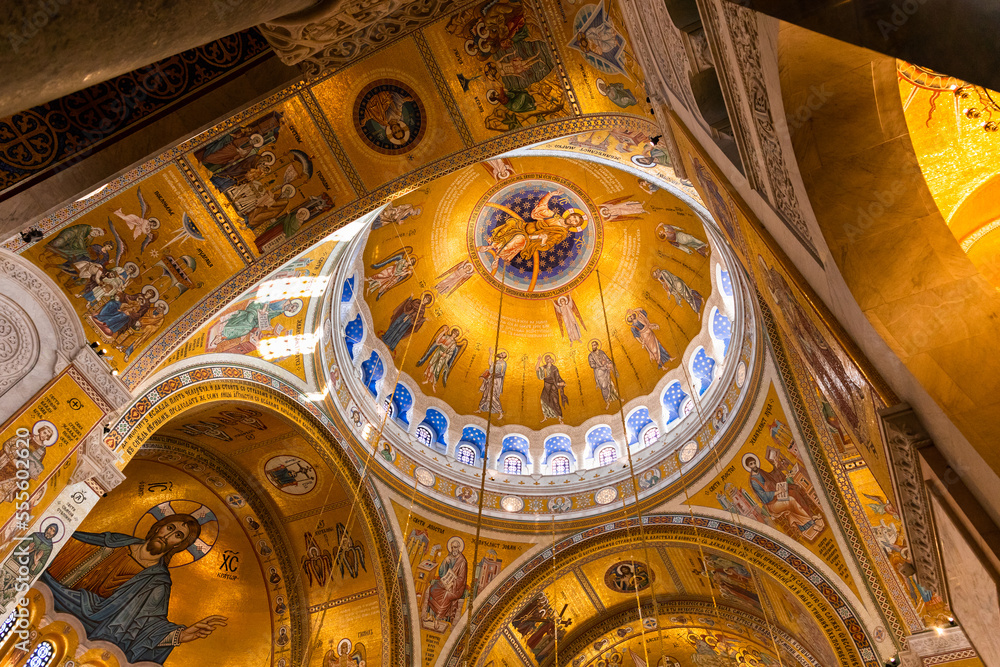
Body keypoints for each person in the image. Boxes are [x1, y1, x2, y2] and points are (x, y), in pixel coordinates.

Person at [41, 513, 227, 663]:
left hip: (98, 631)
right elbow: (68, 543)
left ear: (178, 545)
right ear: (159, 527)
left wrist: (180, 635)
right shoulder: (115, 542)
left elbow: (148, 625)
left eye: (177, 536)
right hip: (51, 600)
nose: (168, 536)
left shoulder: (158, 583)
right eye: (170, 528)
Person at [742, 454, 821, 534]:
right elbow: (764, 497)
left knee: (794, 490)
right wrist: (778, 492)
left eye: (754, 463)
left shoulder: (760, 471)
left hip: (778, 497)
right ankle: (811, 523)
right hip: (772, 505)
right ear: (749, 466)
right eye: (751, 464)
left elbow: (772, 477)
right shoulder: (754, 481)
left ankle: (810, 515)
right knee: (791, 500)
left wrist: (776, 466)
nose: (754, 465)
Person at [0, 422, 55, 504]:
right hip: (4, 464)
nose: (44, 436)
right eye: (44, 432)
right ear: (40, 430)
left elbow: (34, 467)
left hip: (14, 477)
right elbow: (7, 445)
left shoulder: (42, 451)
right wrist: (13, 459)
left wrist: (33, 474)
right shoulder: (26, 436)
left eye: (47, 435)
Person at [425, 537, 467, 628]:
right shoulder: (449, 556)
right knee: (433, 588)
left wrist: (452, 584)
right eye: (452, 547)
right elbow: (441, 572)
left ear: (459, 548)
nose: (453, 549)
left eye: (455, 547)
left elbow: (461, 579)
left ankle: (437, 619)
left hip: (456, 588)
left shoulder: (462, 561)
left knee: (445, 595)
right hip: (446, 582)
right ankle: (431, 616)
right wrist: (444, 561)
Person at [587, 340, 619, 408]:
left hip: (605, 370)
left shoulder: (601, 352)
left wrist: (609, 363)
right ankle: (607, 401)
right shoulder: (590, 356)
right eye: (592, 345)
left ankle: (616, 397)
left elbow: (607, 359)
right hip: (599, 372)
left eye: (594, 345)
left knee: (610, 384)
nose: (593, 346)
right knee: (604, 386)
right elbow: (592, 365)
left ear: (597, 345)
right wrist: (601, 364)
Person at [536, 354, 568, 423]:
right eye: (547, 359)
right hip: (546, 385)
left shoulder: (554, 368)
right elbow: (537, 369)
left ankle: (559, 417)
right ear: (546, 361)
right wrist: (539, 361)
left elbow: (558, 377)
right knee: (544, 399)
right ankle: (546, 416)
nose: (549, 359)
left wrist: (561, 383)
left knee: (555, 401)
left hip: (553, 386)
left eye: (549, 358)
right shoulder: (544, 367)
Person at [477, 351, 507, 419]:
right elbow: (490, 364)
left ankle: (500, 412)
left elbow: (502, 374)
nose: (500, 354)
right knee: (486, 393)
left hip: (496, 381)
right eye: (501, 353)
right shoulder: (496, 361)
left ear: (503, 357)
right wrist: (490, 354)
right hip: (491, 379)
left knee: (493, 396)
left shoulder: (503, 364)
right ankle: (480, 408)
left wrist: (494, 375)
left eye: (502, 354)